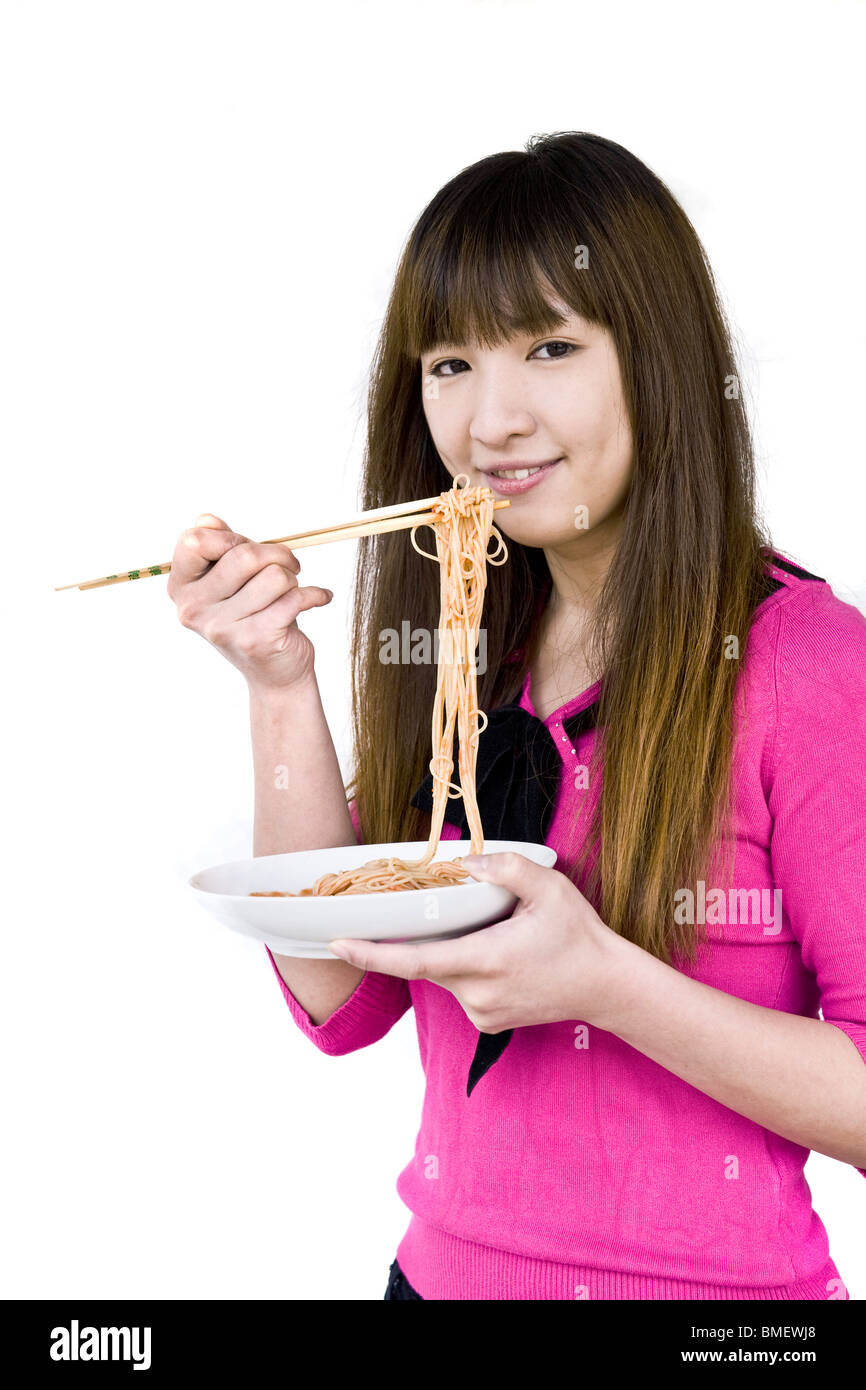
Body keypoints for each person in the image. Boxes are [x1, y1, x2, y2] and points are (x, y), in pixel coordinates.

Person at [167, 131, 866, 1301]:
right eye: (447, 363)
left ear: (659, 360)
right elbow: (343, 995)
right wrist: (280, 681)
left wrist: (603, 982)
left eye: (548, 346)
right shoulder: (464, 649)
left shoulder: (807, 664)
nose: (488, 421)